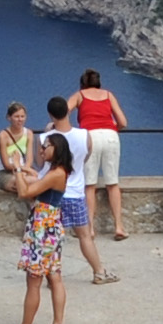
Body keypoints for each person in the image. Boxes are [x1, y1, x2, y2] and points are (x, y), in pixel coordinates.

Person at [11, 131, 72, 324]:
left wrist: (17, 168)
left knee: (34, 279)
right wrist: (26, 171)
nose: (42, 150)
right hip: (51, 226)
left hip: (42, 228)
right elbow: (39, 183)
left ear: (57, 148)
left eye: (46, 146)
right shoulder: (57, 171)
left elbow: (24, 193)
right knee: (54, 275)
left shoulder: (56, 174)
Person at [47, 99, 113, 284]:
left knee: (53, 238)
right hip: (75, 193)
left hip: (53, 194)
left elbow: (40, 161)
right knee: (84, 235)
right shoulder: (84, 135)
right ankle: (99, 272)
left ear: (51, 115)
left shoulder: (46, 138)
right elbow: (86, 157)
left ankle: (53, 277)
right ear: (68, 112)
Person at [74, 68, 129, 239]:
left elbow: (62, 111)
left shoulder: (80, 95)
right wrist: (111, 128)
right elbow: (123, 122)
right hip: (111, 136)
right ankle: (119, 227)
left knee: (90, 185)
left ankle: (90, 228)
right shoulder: (108, 95)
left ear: (83, 83)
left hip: (90, 136)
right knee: (112, 183)